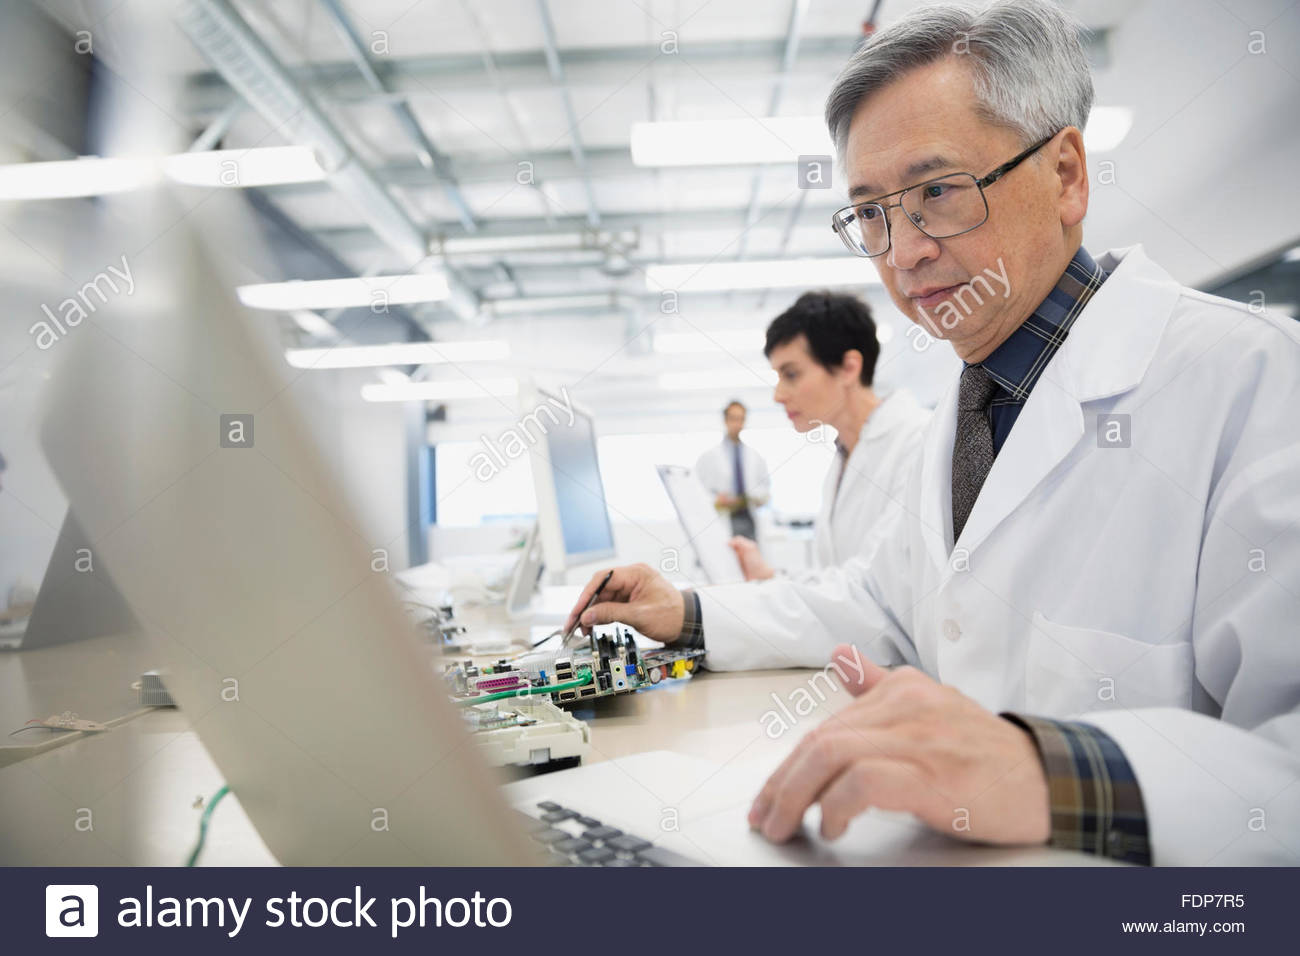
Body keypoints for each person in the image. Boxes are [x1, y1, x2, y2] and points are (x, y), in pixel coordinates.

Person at [568, 0, 1300, 866]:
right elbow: (880, 604)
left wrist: (1045, 770)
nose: (901, 253)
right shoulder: (969, 408)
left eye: (938, 193)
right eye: (871, 212)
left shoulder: (1254, 383)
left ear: (1066, 173)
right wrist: (687, 613)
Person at [730, 291, 930, 581]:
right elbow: (839, 579)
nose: (778, 395)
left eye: (791, 374)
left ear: (849, 368)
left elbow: (874, 587)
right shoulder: (843, 457)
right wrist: (768, 577)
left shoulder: (917, 443)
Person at [694, 400, 769, 540]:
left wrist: (757, 497)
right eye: (733, 418)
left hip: (749, 518)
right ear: (725, 420)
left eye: (741, 419)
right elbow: (697, 491)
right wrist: (715, 500)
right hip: (724, 518)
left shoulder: (755, 456)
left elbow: (765, 487)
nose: (738, 424)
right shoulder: (709, 457)